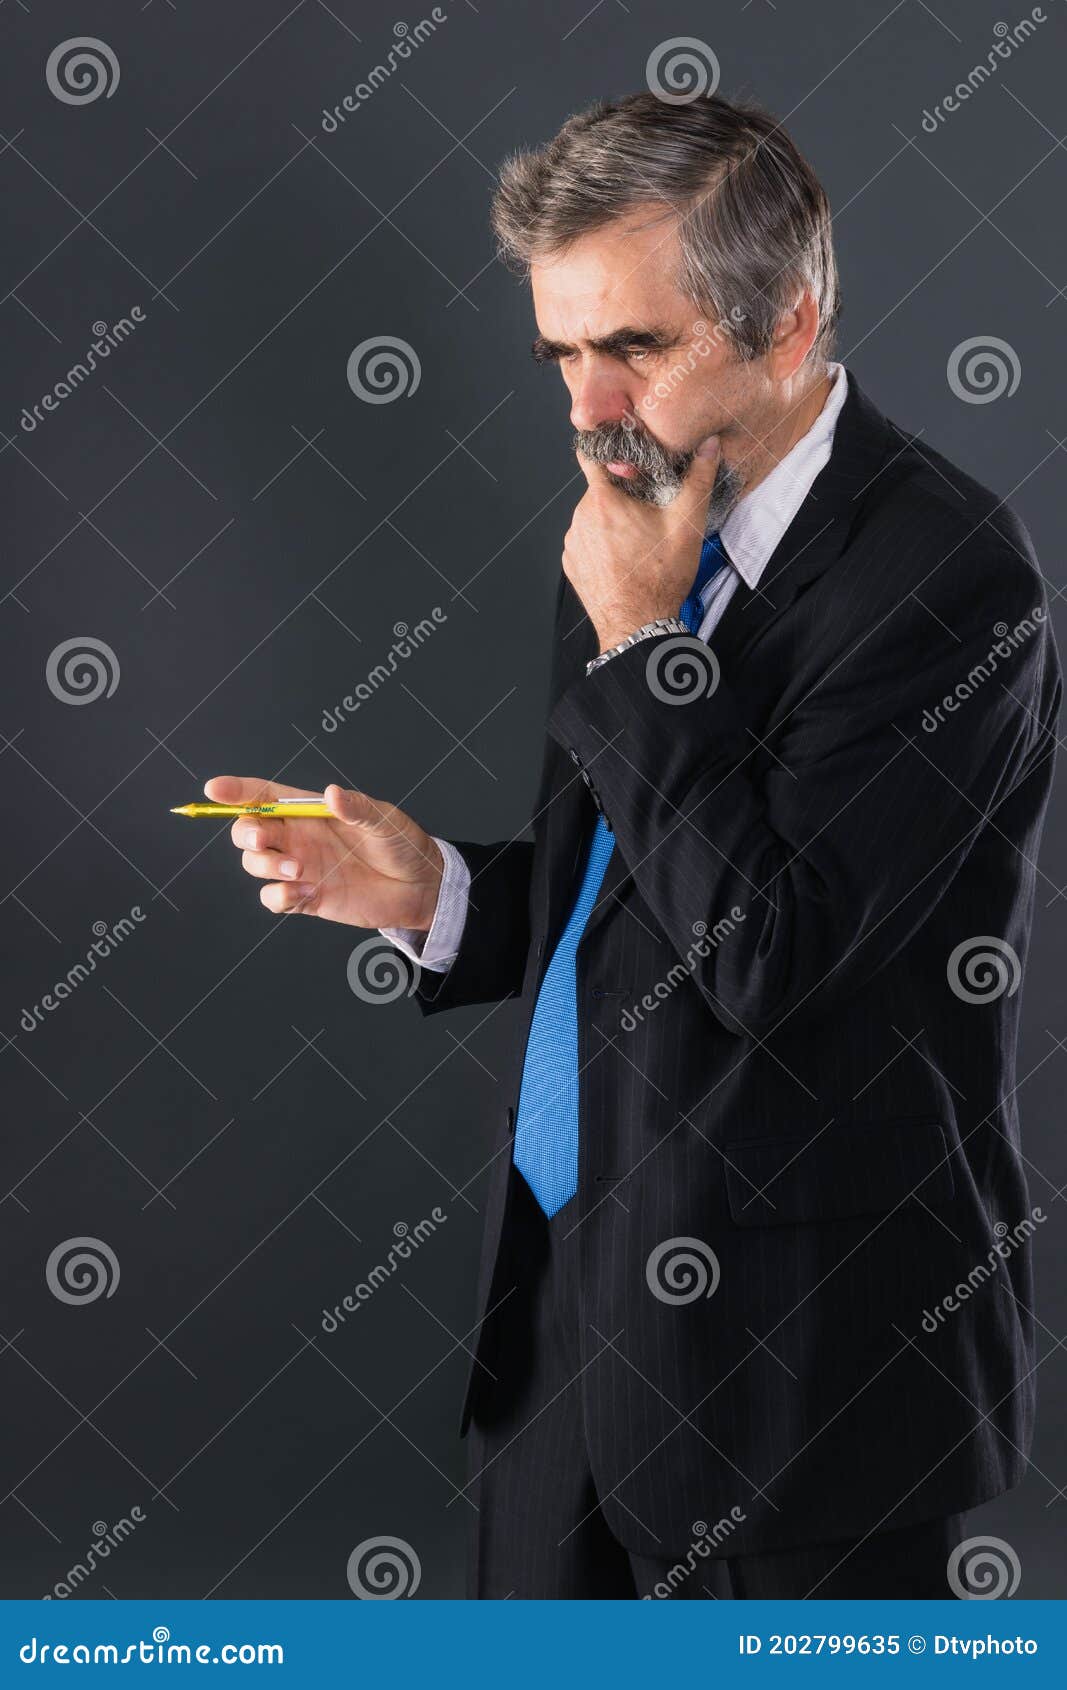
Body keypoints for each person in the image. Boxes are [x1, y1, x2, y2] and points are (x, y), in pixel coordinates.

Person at [208, 91, 1061, 1598]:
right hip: (563, 1348)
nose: (589, 410)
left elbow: (770, 954)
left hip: (801, 1383)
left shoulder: (950, 580)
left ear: (789, 326)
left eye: (637, 349)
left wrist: (637, 644)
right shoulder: (642, 512)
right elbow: (647, 892)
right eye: (563, 355)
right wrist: (444, 894)